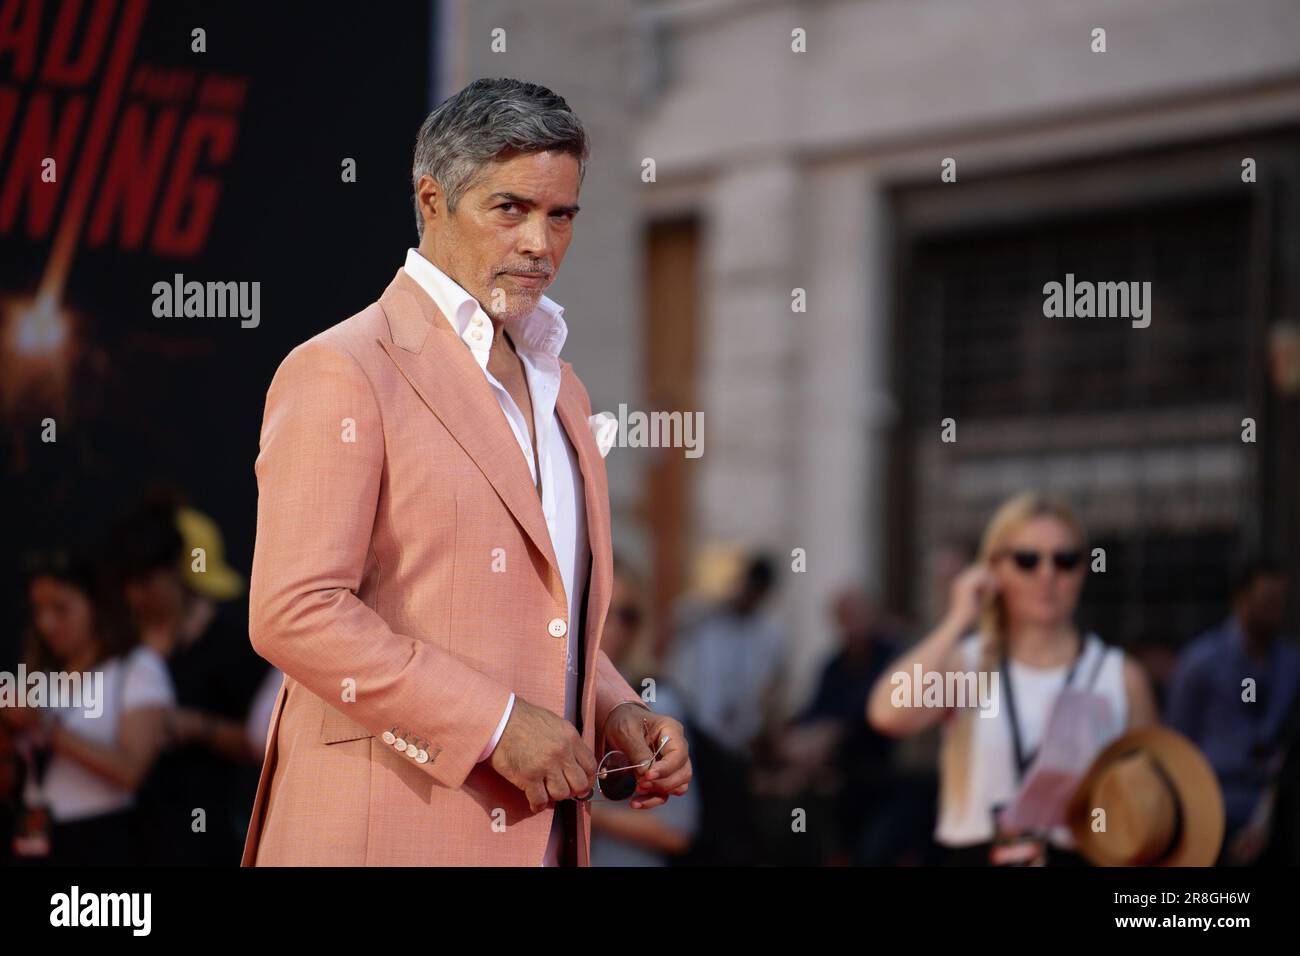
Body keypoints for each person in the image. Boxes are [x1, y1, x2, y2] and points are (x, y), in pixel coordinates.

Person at [243, 78, 690, 866]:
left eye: (561, 216)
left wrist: (615, 705)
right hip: (380, 832)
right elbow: (295, 611)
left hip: (544, 835)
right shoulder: (341, 368)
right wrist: (494, 724)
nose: (539, 244)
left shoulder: (563, 387)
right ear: (432, 200)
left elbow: (537, 611)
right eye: (510, 208)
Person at [867, 491, 1158, 865]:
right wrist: (958, 619)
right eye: (1027, 560)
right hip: (976, 853)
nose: (1047, 575)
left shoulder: (1121, 675)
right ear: (994, 568)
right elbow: (888, 714)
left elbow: (1149, 800)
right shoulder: (966, 663)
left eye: (1065, 560)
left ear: (1083, 570)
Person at [115, 497, 269, 865]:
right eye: (128, 582)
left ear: (178, 571)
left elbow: (262, 742)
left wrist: (196, 727)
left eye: (147, 581)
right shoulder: (116, 642)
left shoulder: (234, 643)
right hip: (124, 839)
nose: (136, 596)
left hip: (201, 839)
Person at [3, 548, 174, 866]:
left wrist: (45, 728)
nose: (47, 623)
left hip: (103, 839)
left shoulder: (136, 667)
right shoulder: (40, 675)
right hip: (34, 838)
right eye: (39, 610)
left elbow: (130, 771)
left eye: (61, 609)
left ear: (98, 605)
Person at [1166, 555, 1299, 864]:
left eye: (1280, 604)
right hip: (1214, 807)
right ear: (1241, 600)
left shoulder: (1291, 663)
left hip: (1276, 810)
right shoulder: (1201, 663)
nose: (1274, 614)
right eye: (1266, 603)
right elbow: (1177, 745)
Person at [668, 552, 785, 865]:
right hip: (697, 737)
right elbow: (672, 630)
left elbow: (771, 689)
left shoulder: (770, 635)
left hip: (739, 749)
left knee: (733, 833)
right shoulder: (703, 618)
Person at [590, 563, 699, 866]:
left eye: (627, 615)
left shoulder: (654, 699)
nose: (611, 625)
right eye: (601, 608)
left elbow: (676, 829)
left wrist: (582, 809)